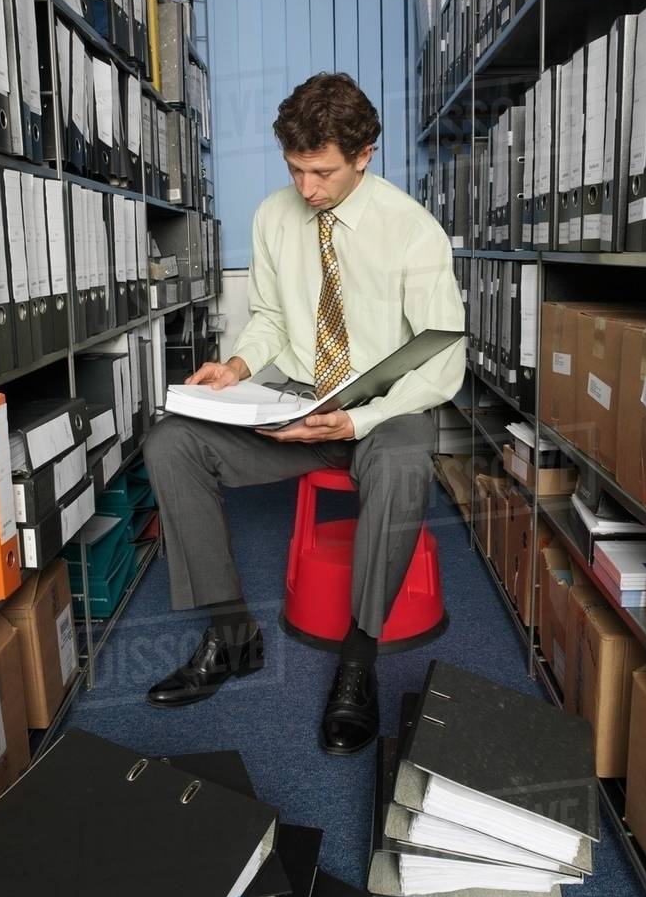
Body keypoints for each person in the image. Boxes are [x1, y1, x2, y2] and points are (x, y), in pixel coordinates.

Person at [142, 72, 465, 754]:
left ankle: (358, 661)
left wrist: (357, 421)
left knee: (406, 459)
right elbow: (267, 320)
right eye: (295, 170)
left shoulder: (414, 232)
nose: (307, 189)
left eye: (322, 172)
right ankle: (231, 637)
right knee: (172, 444)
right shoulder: (271, 217)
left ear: (365, 154)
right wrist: (235, 366)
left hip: (384, 410)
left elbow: (441, 363)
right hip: (299, 402)